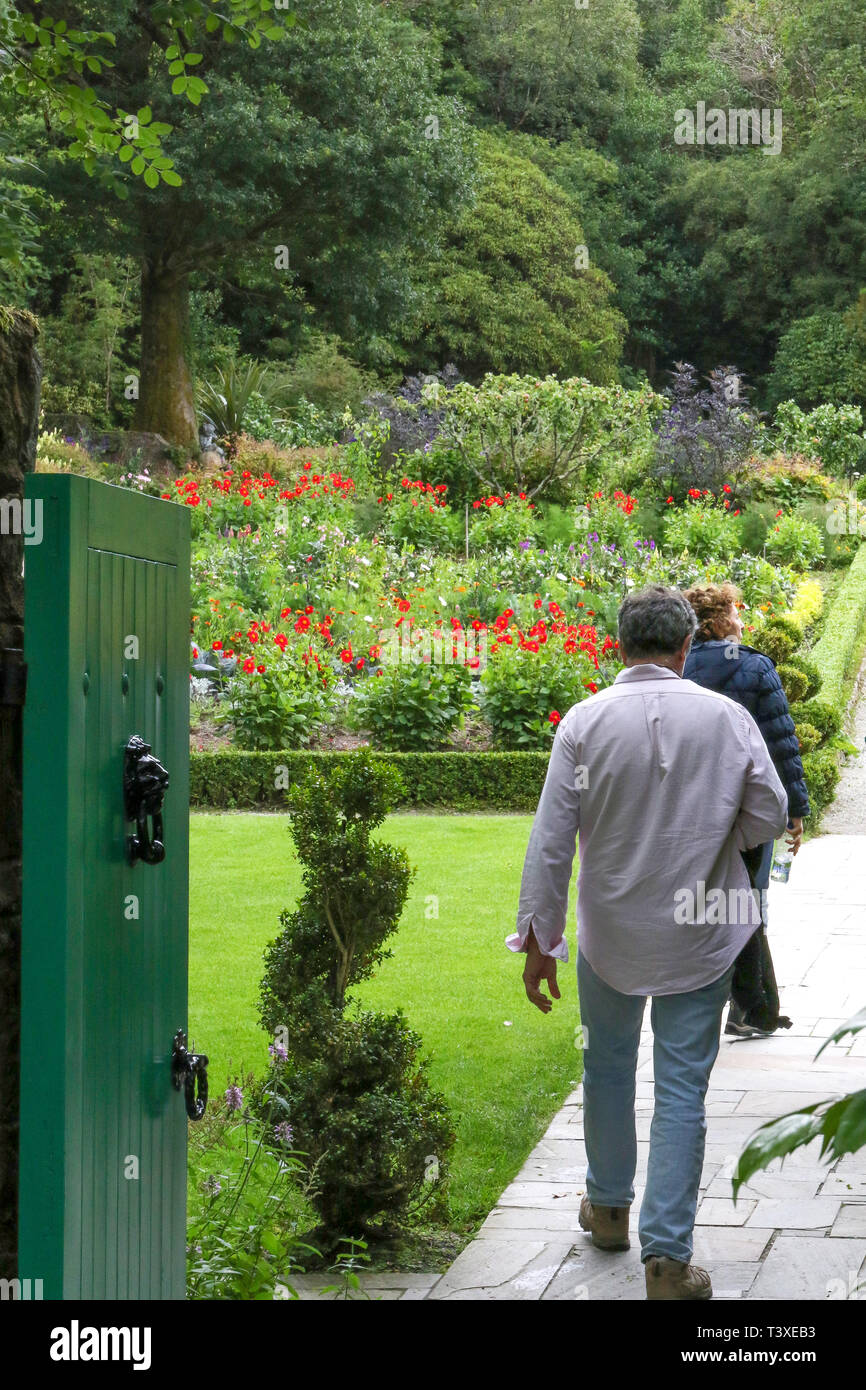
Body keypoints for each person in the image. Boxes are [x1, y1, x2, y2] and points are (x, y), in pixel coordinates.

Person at [507, 585, 788, 1300]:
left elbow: (551, 843)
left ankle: (606, 1209)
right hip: (701, 924)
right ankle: (666, 1259)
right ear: (687, 646)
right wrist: (717, 832)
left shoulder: (584, 721)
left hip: (612, 929)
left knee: (605, 1067)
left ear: (619, 645)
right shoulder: (725, 719)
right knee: (682, 1087)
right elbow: (770, 812)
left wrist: (540, 939)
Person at [682, 582, 807, 1036]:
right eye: (735, 612)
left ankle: (753, 1006)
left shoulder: (676, 668)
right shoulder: (754, 667)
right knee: (747, 904)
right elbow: (780, 745)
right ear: (717, 622)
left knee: (710, 903)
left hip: (690, 810)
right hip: (746, 810)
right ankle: (750, 1008)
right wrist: (794, 809)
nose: (741, 619)